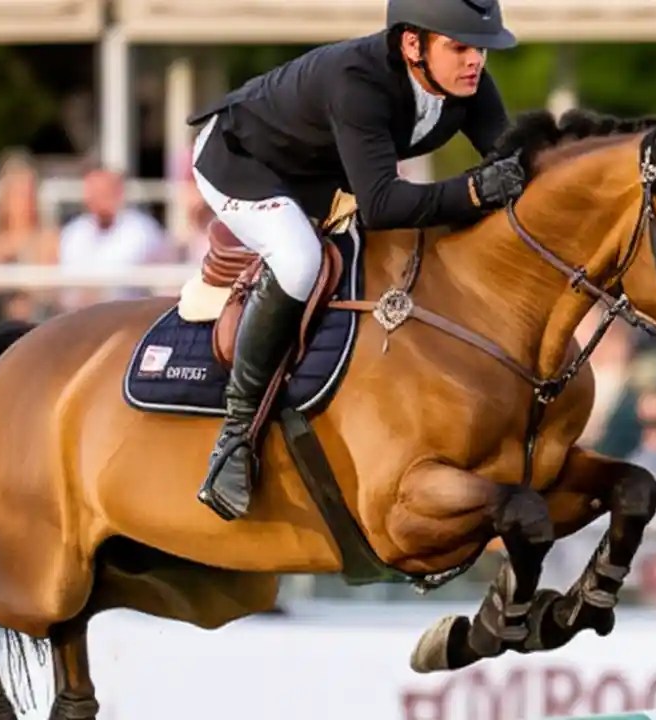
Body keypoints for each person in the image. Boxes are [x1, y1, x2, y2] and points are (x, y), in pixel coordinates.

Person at [186, 0, 528, 521]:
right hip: (243, 162)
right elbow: (383, 205)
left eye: (480, 49)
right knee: (299, 260)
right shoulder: (358, 82)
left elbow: (515, 163)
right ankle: (235, 433)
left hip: (322, 172)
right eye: (459, 47)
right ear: (412, 44)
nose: (474, 61)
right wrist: (474, 192)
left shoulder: (468, 83)